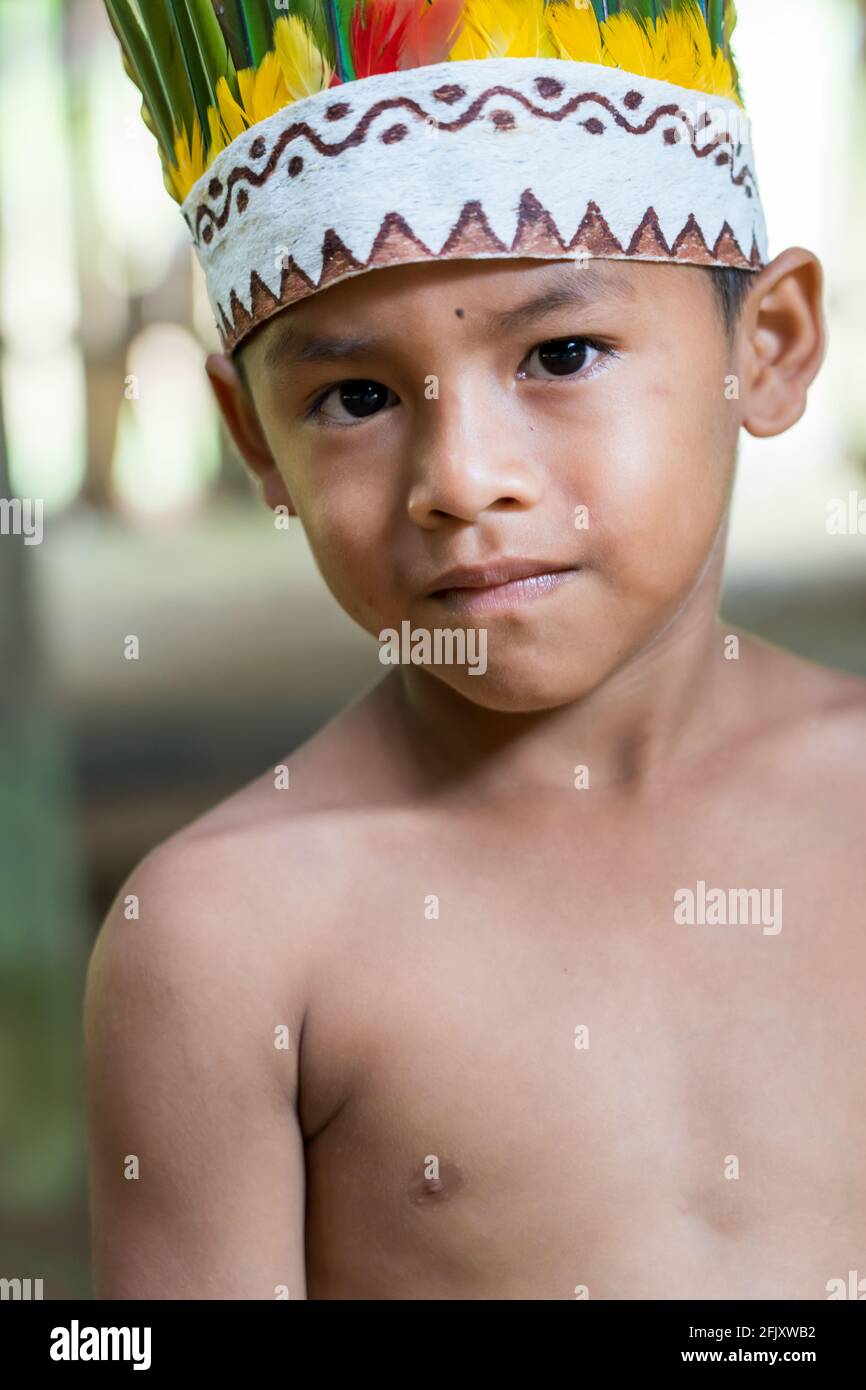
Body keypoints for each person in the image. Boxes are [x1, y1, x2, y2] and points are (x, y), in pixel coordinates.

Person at [86, 0, 865, 1300]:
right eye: (355, 398)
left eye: (561, 353)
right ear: (255, 439)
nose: (461, 480)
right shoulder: (225, 941)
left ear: (766, 348)